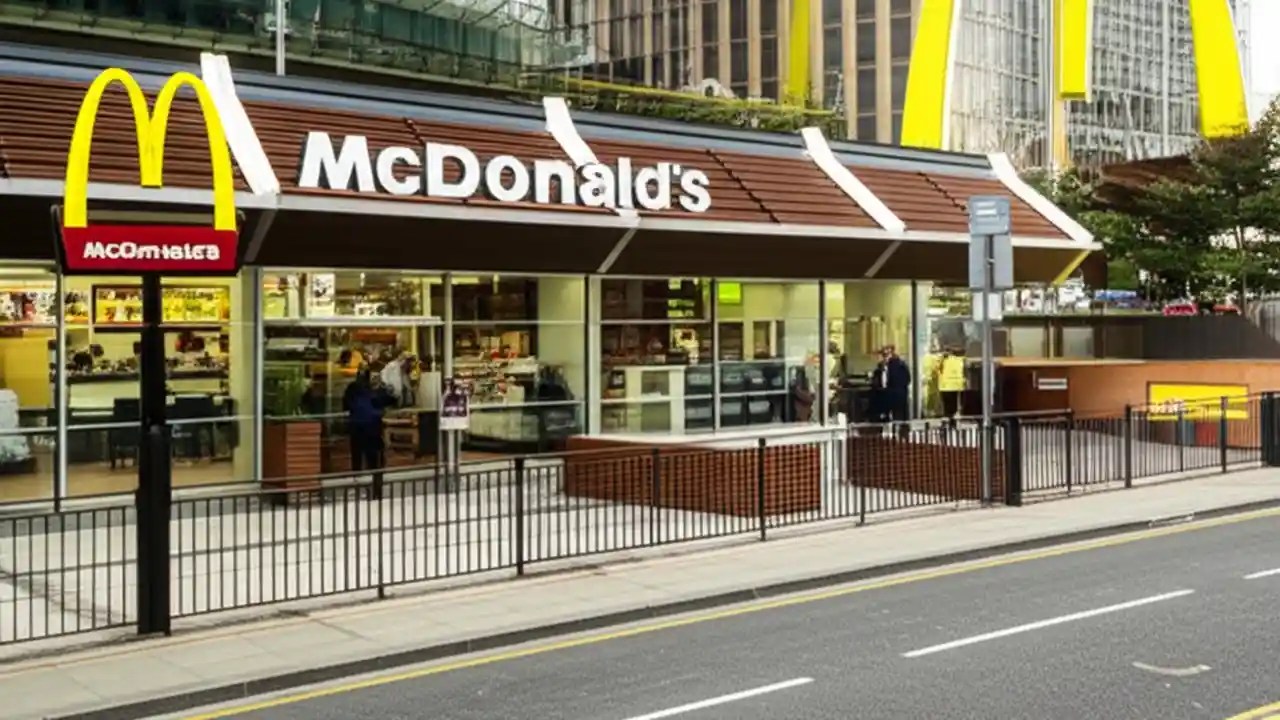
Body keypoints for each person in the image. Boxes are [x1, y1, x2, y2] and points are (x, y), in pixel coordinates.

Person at [343, 365, 393, 473]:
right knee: (373, 457)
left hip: (356, 425)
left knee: (357, 456)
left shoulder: (352, 388)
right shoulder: (374, 389)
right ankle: (375, 481)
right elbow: (390, 400)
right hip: (372, 427)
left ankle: (357, 479)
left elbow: (346, 405)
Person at [874, 345, 911, 427]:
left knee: (898, 418)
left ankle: (898, 433)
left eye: (887, 355)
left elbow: (906, 380)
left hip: (896, 396)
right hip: (885, 397)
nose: (885, 358)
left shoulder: (898, 366)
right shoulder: (881, 368)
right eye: (884, 355)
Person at [938, 347, 967, 423]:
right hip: (956, 386)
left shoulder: (943, 359)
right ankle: (952, 422)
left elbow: (937, 369)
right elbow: (964, 372)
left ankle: (946, 422)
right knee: (953, 407)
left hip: (945, 386)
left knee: (946, 408)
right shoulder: (961, 360)